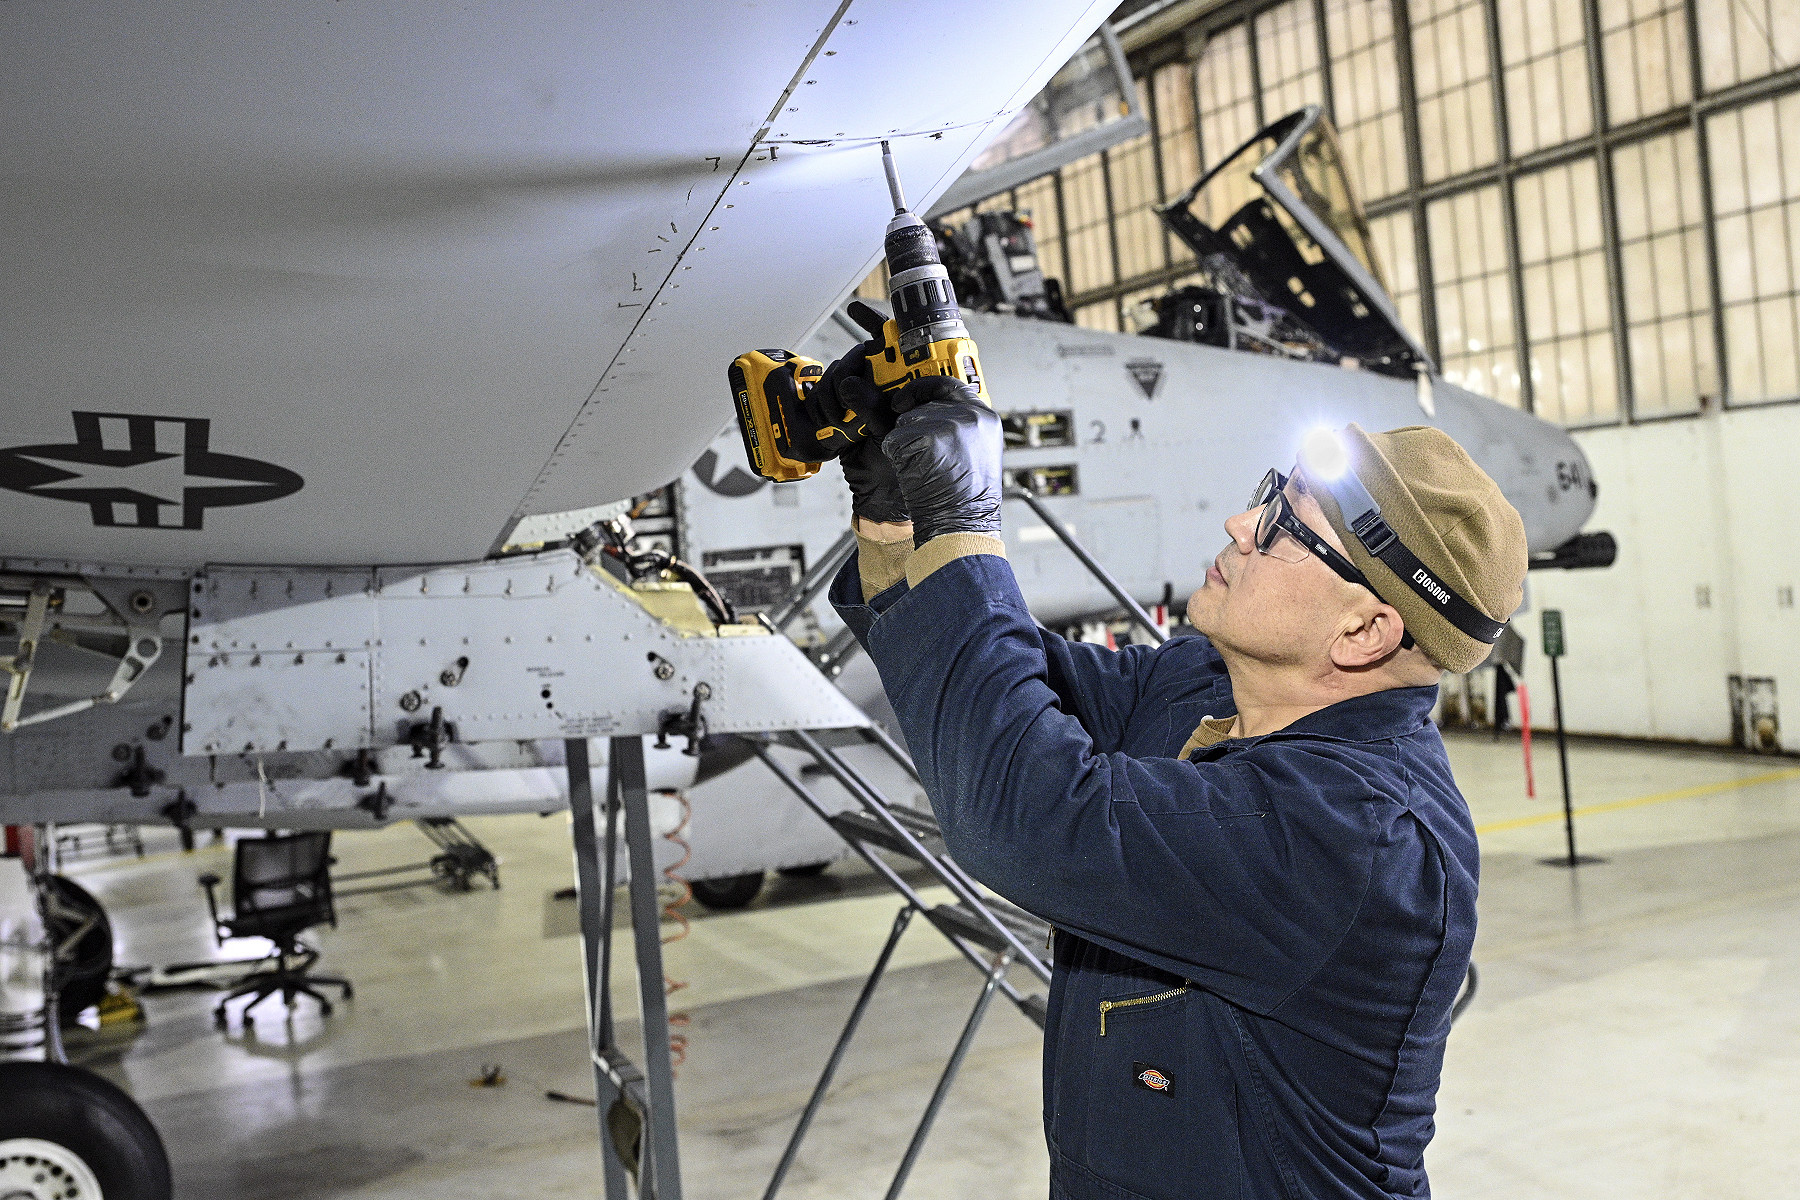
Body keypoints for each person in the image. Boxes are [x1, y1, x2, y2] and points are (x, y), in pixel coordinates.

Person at [815, 347, 1528, 1200]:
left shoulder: (1361, 837)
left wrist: (966, 519)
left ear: (1365, 632)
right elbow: (974, 671)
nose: (1239, 524)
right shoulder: (1201, 686)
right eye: (1270, 492)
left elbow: (1027, 815)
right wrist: (899, 519)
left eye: (1284, 527)